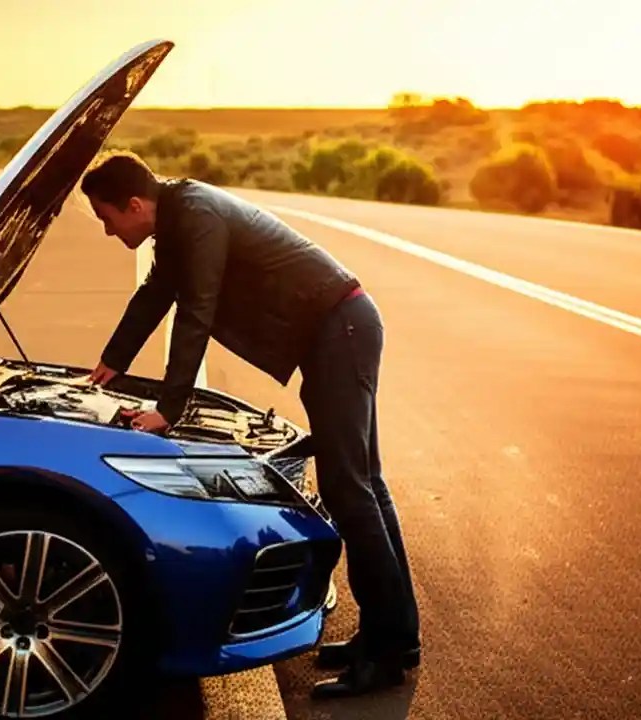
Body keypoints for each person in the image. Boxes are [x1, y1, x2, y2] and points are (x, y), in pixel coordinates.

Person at [79, 151, 421, 698]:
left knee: (349, 488)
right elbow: (154, 298)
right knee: (364, 484)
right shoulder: (177, 221)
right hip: (337, 332)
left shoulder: (196, 217)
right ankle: (393, 636)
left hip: (343, 330)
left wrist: (169, 408)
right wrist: (109, 364)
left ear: (135, 205)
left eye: (106, 217)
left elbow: (196, 308)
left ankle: (385, 652)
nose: (106, 230)